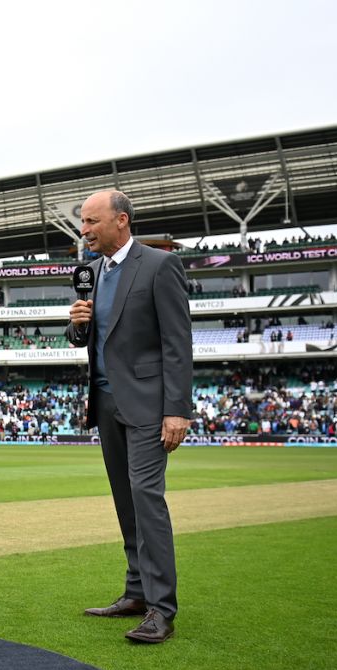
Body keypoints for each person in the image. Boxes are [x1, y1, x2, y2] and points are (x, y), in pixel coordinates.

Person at [66, 190, 192, 644]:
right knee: (125, 500)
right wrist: (77, 322)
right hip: (104, 403)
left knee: (146, 498)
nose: (84, 230)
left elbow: (178, 342)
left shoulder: (159, 266)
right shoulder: (92, 272)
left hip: (148, 405)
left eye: (91, 222)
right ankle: (137, 592)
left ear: (121, 221)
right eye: (83, 222)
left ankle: (162, 608)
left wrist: (177, 409)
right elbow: (82, 337)